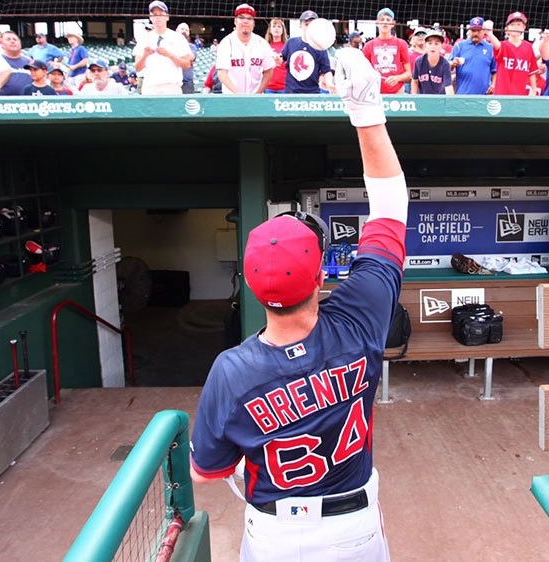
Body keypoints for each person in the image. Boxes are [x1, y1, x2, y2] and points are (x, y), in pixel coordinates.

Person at [190, 45, 404, 562]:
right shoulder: (358, 317)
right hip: (354, 525)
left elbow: (206, 471)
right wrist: (366, 113)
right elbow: (392, 205)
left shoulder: (232, 371)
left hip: (276, 534)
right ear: (318, 277)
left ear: (250, 280)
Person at [133, 1, 193, 95]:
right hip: (150, 87)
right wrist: (145, 55)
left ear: (167, 17)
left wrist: (169, 55)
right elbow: (137, 68)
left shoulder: (177, 37)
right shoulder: (144, 38)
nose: (157, 17)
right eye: (154, 15)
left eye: (161, 14)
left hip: (171, 86)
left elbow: (187, 65)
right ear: (150, 18)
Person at [215, 4, 275, 94]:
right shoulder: (226, 43)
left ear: (254, 23)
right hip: (232, 98)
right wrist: (239, 96)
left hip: (255, 98)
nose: (245, 21)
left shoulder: (262, 43)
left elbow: (268, 71)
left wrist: (258, 93)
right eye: (241, 18)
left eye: (249, 18)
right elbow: (222, 74)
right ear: (235, 21)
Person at [281, 10, 333, 94]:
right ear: (300, 25)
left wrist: (330, 84)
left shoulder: (321, 47)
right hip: (291, 93)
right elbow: (281, 59)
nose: (309, 27)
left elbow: (326, 70)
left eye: (312, 25)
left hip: (312, 93)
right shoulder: (291, 42)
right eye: (306, 24)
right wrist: (277, 59)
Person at [362, 7, 410, 94]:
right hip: (374, 92)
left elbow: (409, 74)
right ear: (377, 22)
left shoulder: (401, 44)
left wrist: (397, 78)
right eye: (382, 19)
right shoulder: (368, 46)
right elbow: (362, 72)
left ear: (393, 23)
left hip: (397, 91)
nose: (385, 22)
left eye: (388, 20)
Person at [493, 11, 538, 96]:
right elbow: (496, 44)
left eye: (519, 24)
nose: (515, 27)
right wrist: (489, 34)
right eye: (512, 24)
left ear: (524, 27)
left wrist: (534, 90)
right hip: (501, 93)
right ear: (507, 28)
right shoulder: (502, 45)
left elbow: (532, 71)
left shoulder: (528, 47)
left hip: (520, 94)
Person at [450, 17, 496, 95]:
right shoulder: (459, 46)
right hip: (463, 95)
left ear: (484, 31)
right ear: (469, 31)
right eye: (473, 30)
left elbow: (494, 70)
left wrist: (493, 85)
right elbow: (447, 67)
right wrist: (453, 64)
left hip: (484, 96)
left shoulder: (490, 48)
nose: (475, 33)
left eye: (479, 30)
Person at [410, 27, 452, 94]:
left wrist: (450, 103)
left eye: (436, 43)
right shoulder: (419, 61)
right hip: (424, 99)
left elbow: (448, 86)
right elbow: (414, 81)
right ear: (425, 45)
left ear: (441, 46)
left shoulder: (445, 64)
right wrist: (414, 98)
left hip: (439, 100)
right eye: (430, 43)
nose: (433, 46)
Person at [0, 31, 35, 96]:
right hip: (3, 103)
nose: (12, 41)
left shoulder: (30, 62)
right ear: (2, 44)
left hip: (28, 102)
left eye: (15, 39)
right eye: (8, 39)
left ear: (20, 44)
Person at [263, 18, 288, 94]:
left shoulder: (287, 45)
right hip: (268, 87)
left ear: (283, 30)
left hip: (284, 87)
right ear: (270, 30)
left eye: (279, 26)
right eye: (274, 26)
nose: (276, 29)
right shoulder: (265, 46)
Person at [176, 22, 198, 93]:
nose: (184, 31)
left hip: (187, 82)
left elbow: (190, 58)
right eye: (182, 29)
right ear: (176, 30)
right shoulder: (170, 44)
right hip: (173, 81)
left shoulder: (192, 47)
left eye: (186, 30)